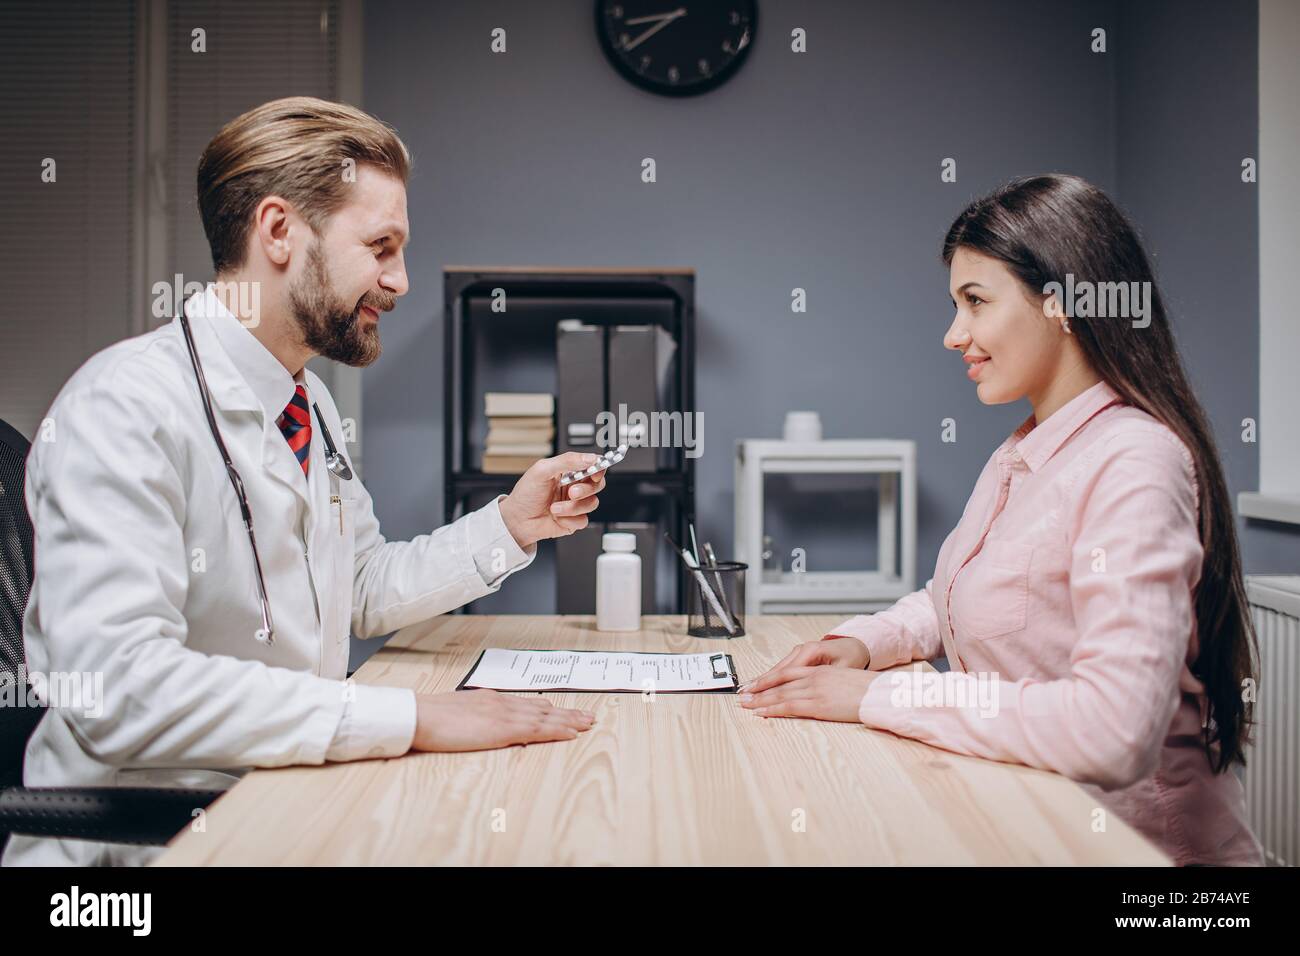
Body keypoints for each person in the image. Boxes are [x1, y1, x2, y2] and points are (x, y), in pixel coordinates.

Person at [4, 97, 604, 867]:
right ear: (279, 230)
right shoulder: (122, 407)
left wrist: (511, 525)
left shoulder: (305, 400)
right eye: (381, 247)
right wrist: (410, 718)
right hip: (142, 851)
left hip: (287, 800)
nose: (402, 280)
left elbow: (357, 585)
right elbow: (120, 691)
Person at [741, 174, 1264, 866]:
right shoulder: (1025, 446)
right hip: (1029, 825)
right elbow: (958, 595)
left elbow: (1112, 731)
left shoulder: (1135, 462)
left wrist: (877, 696)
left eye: (975, 302)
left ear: (1064, 306)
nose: (954, 335)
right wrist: (861, 645)